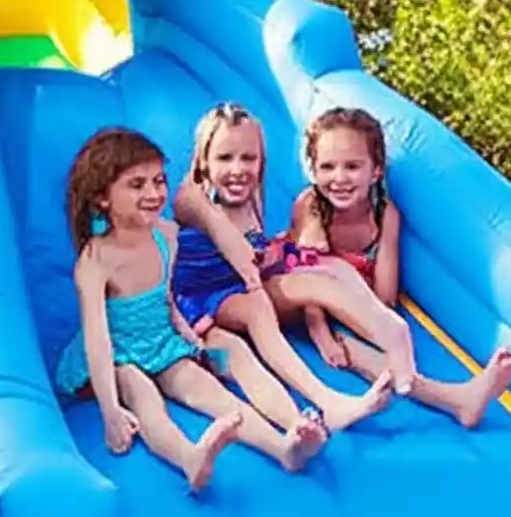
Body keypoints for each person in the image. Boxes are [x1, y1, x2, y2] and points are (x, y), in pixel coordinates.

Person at [58, 126, 328, 487]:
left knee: (208, 388)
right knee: (141, 393)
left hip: (162, 344)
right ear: (102, 199)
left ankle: (283, 448)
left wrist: (185, 334)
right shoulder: (96, 261)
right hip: (116, 356)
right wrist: (111, 414)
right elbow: (98, 340)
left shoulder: (166, 235)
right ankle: (190, 458)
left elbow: (165, 297)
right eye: (136, 185)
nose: (154, 193)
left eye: (158, 181)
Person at [171, 102, 419, 398]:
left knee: (330, 276)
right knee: (312, 284)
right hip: (210, 302)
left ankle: (394, 336)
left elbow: (256, 255)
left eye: (248, 158)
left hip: (256, 280)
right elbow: (204, 218)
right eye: (225, 158)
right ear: (203, 162)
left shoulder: (251, 198)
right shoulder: (193, 201)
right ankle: (357, 365)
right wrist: (320, 332)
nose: (237, 170)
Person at [292, 107, 511, 428]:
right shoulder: (311, 207)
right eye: (327, 167)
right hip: (301, 296)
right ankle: (456, 399)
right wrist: (321, 334)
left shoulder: (385, 217)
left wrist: (361, 314)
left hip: (354, 303)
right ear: (313, 171)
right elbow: (304, 275)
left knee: (363, 349)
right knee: (348, 336)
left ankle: (459, 400)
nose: (339, 178)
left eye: (352, 166)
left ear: (376, 170)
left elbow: (386, 298)